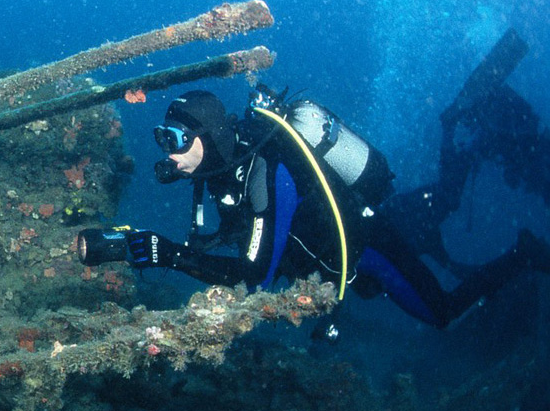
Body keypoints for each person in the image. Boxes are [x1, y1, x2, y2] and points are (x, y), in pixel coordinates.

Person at [77, 88, 550, 329]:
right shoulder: (217, 172)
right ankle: (450, 184)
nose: (168, 151)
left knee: (442, 312)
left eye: (177, 138)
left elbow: (253, 278)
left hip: (367, 247)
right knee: (430, 217)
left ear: (210, 136)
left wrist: (167, 254)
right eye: (163, 138)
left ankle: (523, 254)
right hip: (338, 242)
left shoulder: (266, 170)